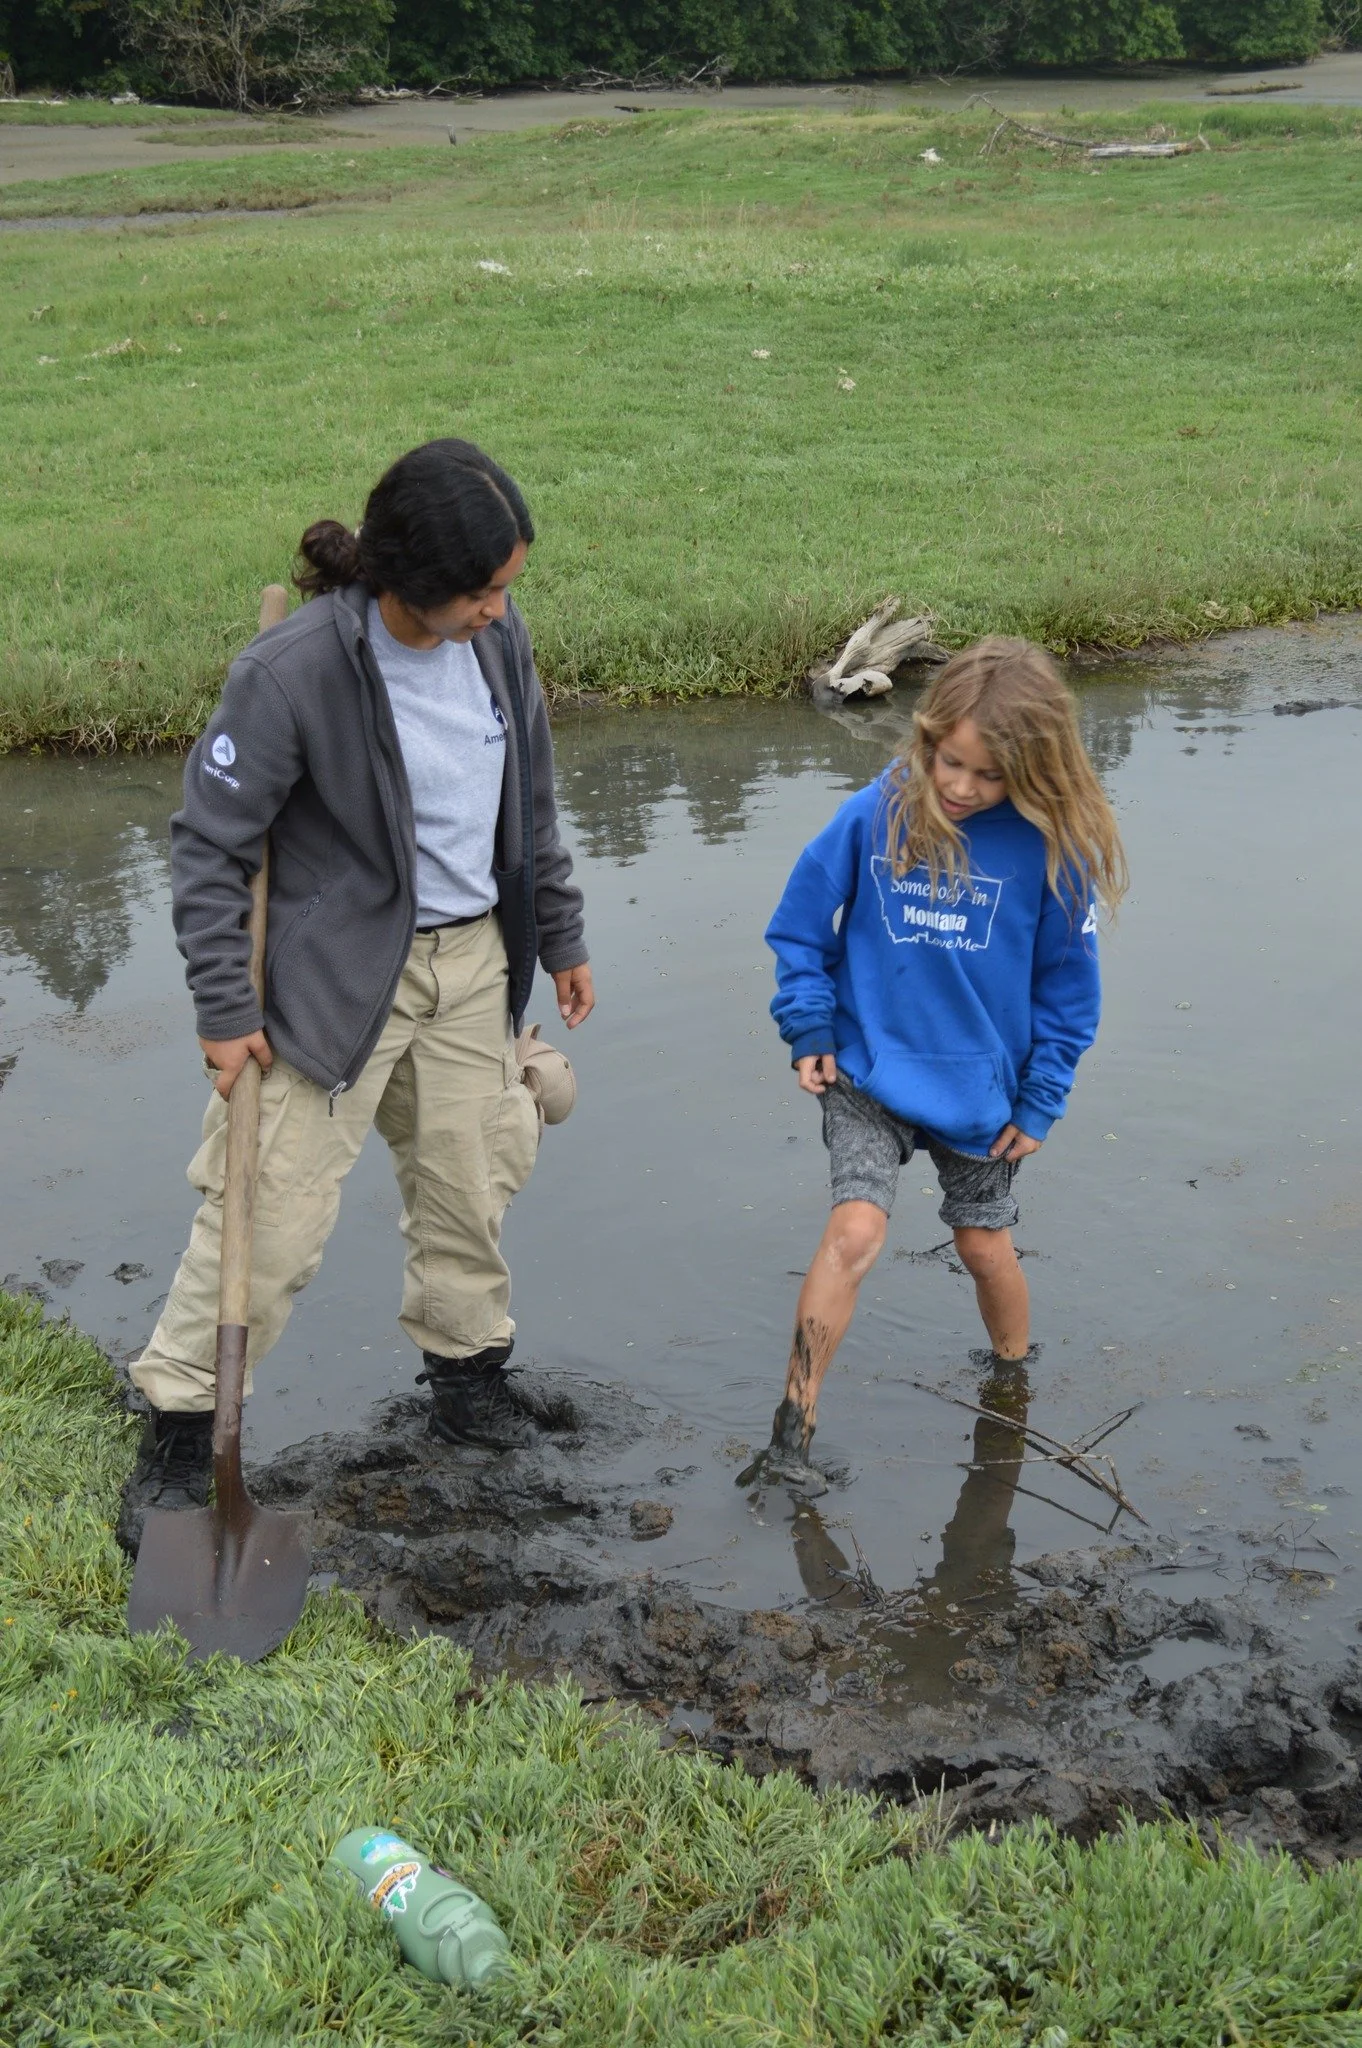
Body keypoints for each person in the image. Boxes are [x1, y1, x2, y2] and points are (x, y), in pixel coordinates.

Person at [118, 439, 593, 1554]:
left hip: (474, 962)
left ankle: (470, 1381)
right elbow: (209, 849)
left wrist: (559, 928)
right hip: (331, 985)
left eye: (507, 588)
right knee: (268, 1214)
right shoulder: (293, 672)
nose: (501, 609)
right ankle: (180, 1433)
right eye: (483, 590)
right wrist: (226, 1005)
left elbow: (533, 798)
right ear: (410, 582)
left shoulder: (497, 641)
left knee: (470, 1183)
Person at [740, 636, 1126, 1493]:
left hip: (983, 1095)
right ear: (926, 737)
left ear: (1032, 773)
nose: (958, 787)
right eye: (949, 761)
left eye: (987, 776)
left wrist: (1042, 1099)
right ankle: (790, 1433)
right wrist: (808, 1028)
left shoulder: (1051, 852)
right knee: (855, 1231)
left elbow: (1070, 995)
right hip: (868, 1073)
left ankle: (1014, 1379)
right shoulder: (878, 808)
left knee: (984, 1246)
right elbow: (801, 926)